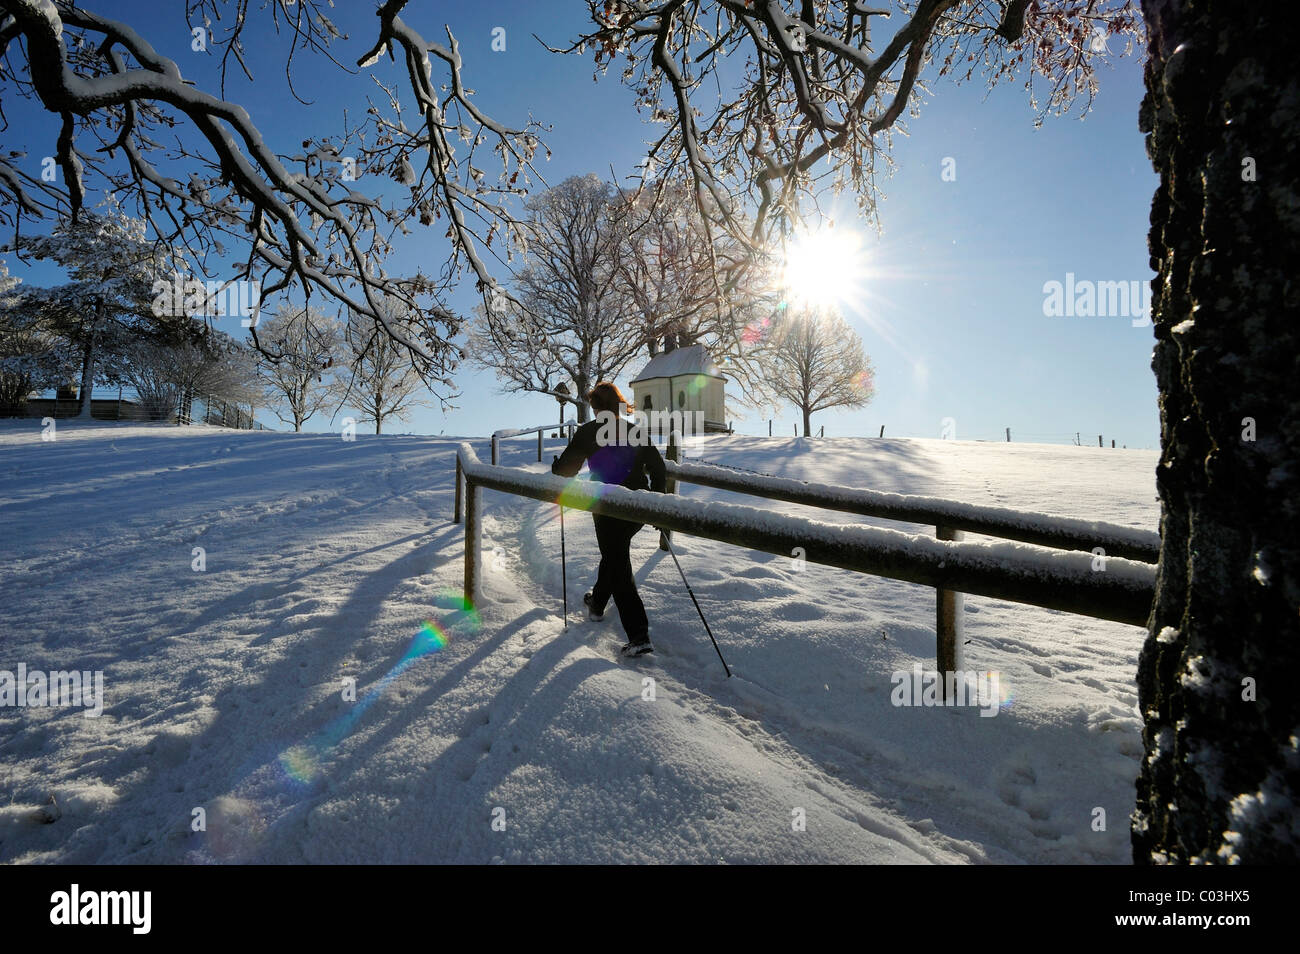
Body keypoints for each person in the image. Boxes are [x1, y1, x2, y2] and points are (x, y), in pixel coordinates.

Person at [552, 382, 667, 657]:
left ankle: (638, 635)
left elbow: (566, 471)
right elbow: (658, 468)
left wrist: (558, 467)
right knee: (614, 554)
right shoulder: (634, 431)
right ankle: (597, 603)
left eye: (594, 407)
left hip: (606, 506)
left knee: (617, 564)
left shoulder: (590, 431)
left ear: (596, 407)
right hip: (636, 507)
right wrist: (655, 501)